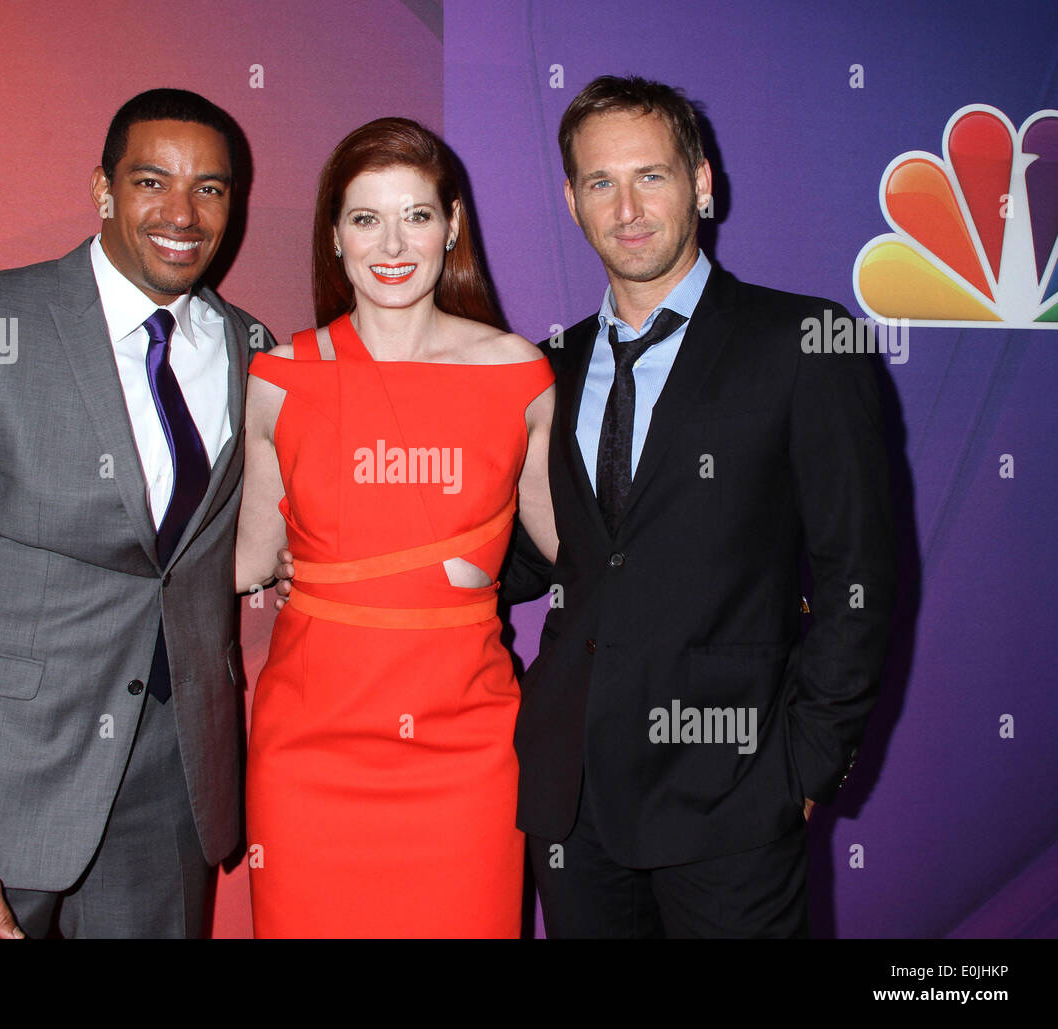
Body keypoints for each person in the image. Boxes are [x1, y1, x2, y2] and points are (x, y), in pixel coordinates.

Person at [0, 88, 276, 938]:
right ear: (102, 189)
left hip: (171, 796)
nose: (182, 213)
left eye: (211, 189)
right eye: (152, 181)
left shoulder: (251, 348)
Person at [496, 75, 896, 937]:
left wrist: (806, 768)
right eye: (601, 182)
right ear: (571, 200)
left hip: (735, 797)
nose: (628, 207)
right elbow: (538, 553)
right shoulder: (546, 366)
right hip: (574, 803)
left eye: (654, 175)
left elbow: (858, 573)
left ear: (703, 184)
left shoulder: (802, 343)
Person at [235, 117, 557, 938]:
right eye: (365, 217)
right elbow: (243, 561)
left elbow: (575, 550)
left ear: (452, 226)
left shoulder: (520, 374)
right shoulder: (278, 376)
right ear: (334, 237)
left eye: (416, 214)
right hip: (309, 750)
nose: (393, 242)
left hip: (466, 749)